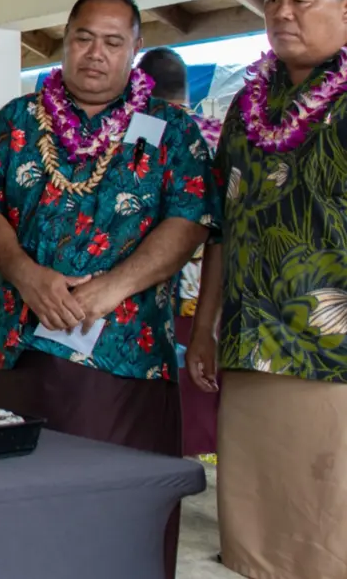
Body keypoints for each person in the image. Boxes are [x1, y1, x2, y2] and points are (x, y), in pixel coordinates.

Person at [0, 0, 218, 579]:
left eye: (113, 42)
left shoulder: (170, 129)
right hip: (24, 349)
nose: (95, 53)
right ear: (64, 40)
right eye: (84, 38)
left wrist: (113, 288)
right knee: (22, 510)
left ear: (135, 48)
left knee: (120, 515)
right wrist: (24, 273)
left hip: (129, 356)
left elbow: (189, 220)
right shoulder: (15, 121)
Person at [188, 0, 347, 579]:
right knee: (258, 534)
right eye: (273, 0)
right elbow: (223, 225)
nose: (281, 14)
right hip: (254, 347)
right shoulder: (250, 106)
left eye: (301, 0)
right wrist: (205, 327)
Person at [136, 46, 220, 459]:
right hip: (213, 286)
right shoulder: (219, 130)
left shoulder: (142, 130)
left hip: (154, 284)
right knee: (205, 387)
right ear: (186, 88)